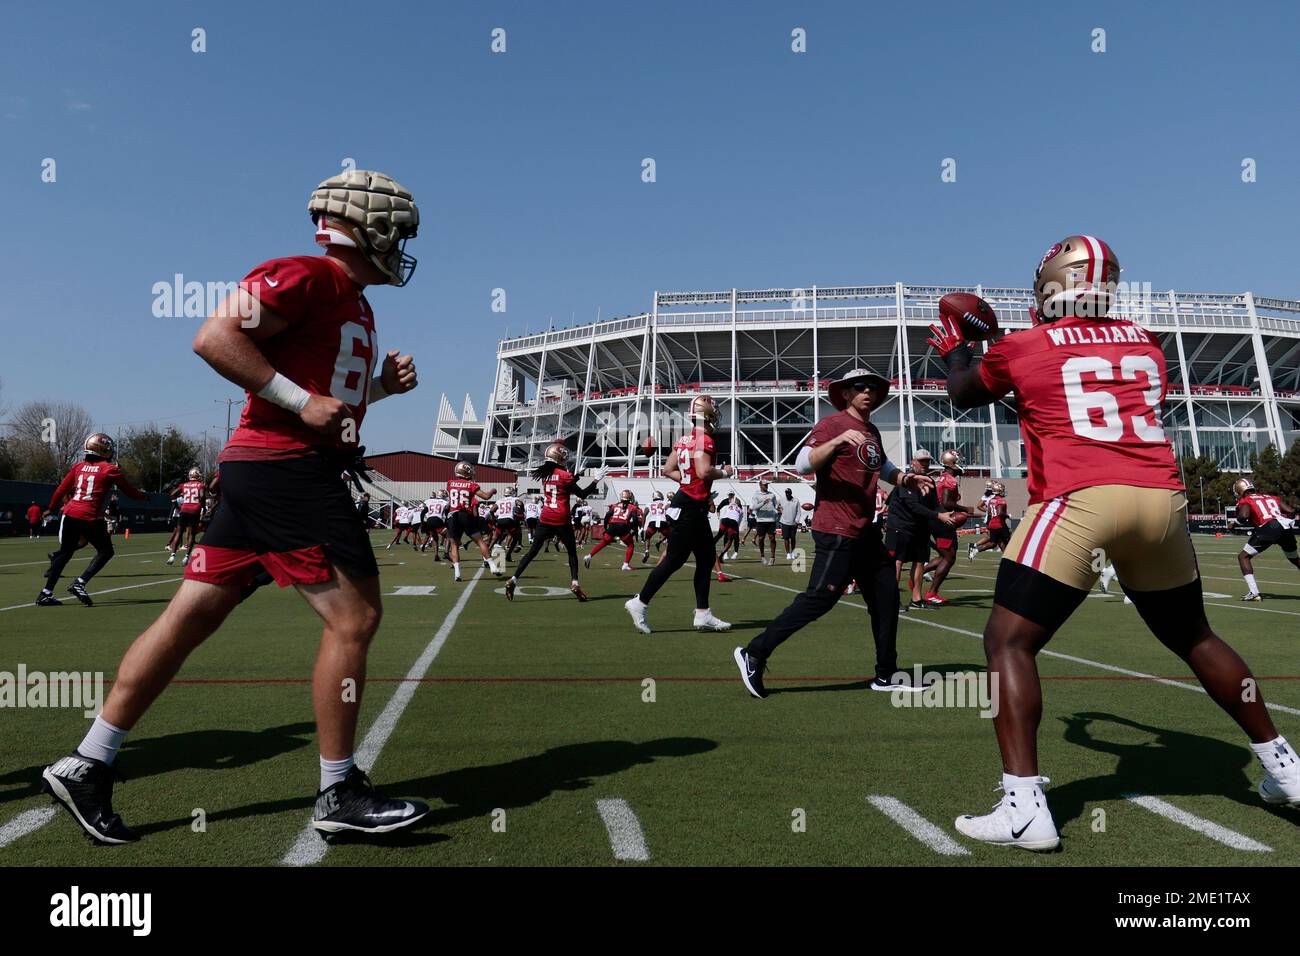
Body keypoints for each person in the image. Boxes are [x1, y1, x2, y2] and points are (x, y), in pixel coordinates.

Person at [41, 170, 429, 843]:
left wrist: (379, 392)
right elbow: (215, 337)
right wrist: (303, 403)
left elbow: (325, 392)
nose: (401, 245)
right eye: (396, 231)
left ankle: (89, 761)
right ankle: (338, 789)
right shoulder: (306, 274)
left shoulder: (353, 298)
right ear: (367, 225)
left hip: (266, 473)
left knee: (187, 618)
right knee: (356, 617)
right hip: (286, 472)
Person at [929, 235, 1299, 851]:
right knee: (1196, 636)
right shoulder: (1144, 343)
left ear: (1050, 287)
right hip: (1160, 499)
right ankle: (1285, 765)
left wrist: (958, 350)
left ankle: (1024, 807)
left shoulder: (1024, 345)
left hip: (1081, 498)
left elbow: (966, 393)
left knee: (1008, 640)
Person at [733, 370, 935, 698]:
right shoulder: (832, 426)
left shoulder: (870, 430)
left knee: (886, 598)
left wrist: (904, 479)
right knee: (819, 599)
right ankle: (754, 653)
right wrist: (838, 441)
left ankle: (886, 675)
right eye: (860, 386)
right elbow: (802, 464)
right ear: (845, 394)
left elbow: (880, 464)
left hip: (865, 532)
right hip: (837, 530)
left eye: (873, 386)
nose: (868, 391)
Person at [624, 395, 734, 634]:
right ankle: (639, 602)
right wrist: (725, 473)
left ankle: (703, 614)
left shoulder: (685, 438)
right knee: (674, 560)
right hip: (691, 506)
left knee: (705, 559)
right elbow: (705, 471)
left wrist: (687, 480)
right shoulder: (705, 439)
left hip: (688, 502)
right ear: (708, 414)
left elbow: (667, 469)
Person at [37, 434, 149, 606]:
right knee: (106, 551)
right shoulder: (109, 469)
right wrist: (144, 497)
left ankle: (46, 593)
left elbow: (61, 490)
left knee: (65, 553)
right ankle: (80, 583)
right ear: (102, 450)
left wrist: (50, 509)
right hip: (89, 516)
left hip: (70, 513)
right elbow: (129, 491)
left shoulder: (78, 466)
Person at [505, 442, 604, 600]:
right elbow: (582, 493)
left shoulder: (545, 474)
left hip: (545, 517)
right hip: (561, 518)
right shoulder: (565, 475)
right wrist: (596, 480)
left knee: (532, 552)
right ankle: (575, 583)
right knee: (572, 553)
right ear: (560, 458)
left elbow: (562, 483)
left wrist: (576, 475)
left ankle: (513, 579)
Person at [885, 450, 958, 609]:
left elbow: (934, 505)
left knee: (919, 562)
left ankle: (916, 599)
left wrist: (946, 515)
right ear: (913, 462)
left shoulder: (929, 481)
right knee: (897, 562)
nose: (925, 464)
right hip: (900, 526)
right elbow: (914, 506)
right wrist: (939, 517)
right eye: (921, 461)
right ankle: (892, 599)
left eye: (927, 461)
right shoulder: (907, 480)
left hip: (919, 528)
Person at [1231, 477, 1299, 601]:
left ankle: (1254, 592)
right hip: (1284, 526)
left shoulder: (1246, 500)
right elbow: (1291, 511)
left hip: (1269, 527)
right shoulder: (1271, 497)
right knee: (1294, 559)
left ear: (1240, 491)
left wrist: (1234, 524)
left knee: (1243, 557)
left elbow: (1244, 516)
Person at [920, 450, 970, 604]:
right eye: (958, 460)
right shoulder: (950, 480)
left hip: (937, 518)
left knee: (944, 556)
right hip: (943, 519)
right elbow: (947, 503)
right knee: (949, 558)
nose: (961, 463)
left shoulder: (941, 477)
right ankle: (932, 593)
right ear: (952, 462)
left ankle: (919, 573)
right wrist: (965, 509)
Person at [586, 489, 641, 571]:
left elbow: (607, 516)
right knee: (630, 545)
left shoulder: (615, 505)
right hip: (623, 527)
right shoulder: (632, 507)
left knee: (604, 542)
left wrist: (605, 527)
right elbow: (635, 519)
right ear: (630, 498)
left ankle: (589, 556)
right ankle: (625, 564)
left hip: (612, 526)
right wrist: (632, 529)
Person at [166, 467, 208, 566]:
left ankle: (172, 555)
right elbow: (201, 496)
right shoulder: (200, 485)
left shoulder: (184, 485)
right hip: (195, 511)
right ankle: (186, 557)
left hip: (184, 510)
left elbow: (172, 494)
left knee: (179, 533)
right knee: (192, 534)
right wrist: (203, 507)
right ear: (197, 475)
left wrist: (177, 507)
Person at [752, 479, 779, 566]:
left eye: (767, 484)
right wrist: (763, 502)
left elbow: (775, 506)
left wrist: (778, 509)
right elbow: (755, 507)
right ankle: (762, 556)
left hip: (771, 519)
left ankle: (772, 557)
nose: (766, 486)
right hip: (761, 520)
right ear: (760, 485)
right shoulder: (756, 495)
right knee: (761, 538)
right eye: (764, 485)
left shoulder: (772, 494)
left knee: (772, 538)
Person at [779, 487, 800, 559]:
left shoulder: (796, 500)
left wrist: (797, 520)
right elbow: (776, 506)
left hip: (793, 522)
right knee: (786, 538)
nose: (787, 494)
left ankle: (793, 552)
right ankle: (788, 553)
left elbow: (798, 511)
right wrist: (779, 510)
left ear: (791, 493)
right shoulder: (781, 499)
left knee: (793, 539)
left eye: (788, 493)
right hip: (784, 522)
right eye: (786, 493)